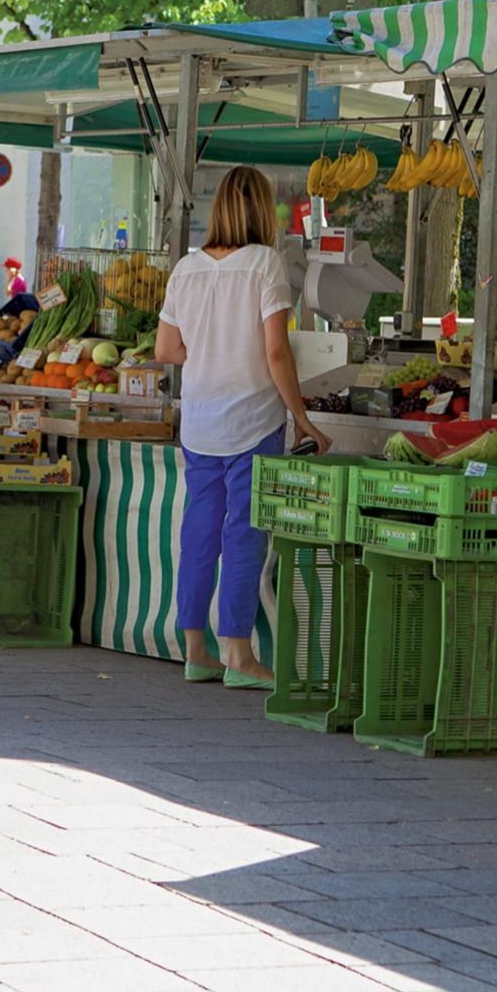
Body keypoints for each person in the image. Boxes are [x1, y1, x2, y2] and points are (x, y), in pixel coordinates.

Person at [155, 166, 329, 690]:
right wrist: (302, 418)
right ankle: (238, 652)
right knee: (244, 535)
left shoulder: (185, 268)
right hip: (252, 420)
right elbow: (276, 351)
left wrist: (208, 356)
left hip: (200, 420)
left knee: (199, 534)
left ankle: (195, 651)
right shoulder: (264, 264)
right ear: (261, 211)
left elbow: (166, 351)